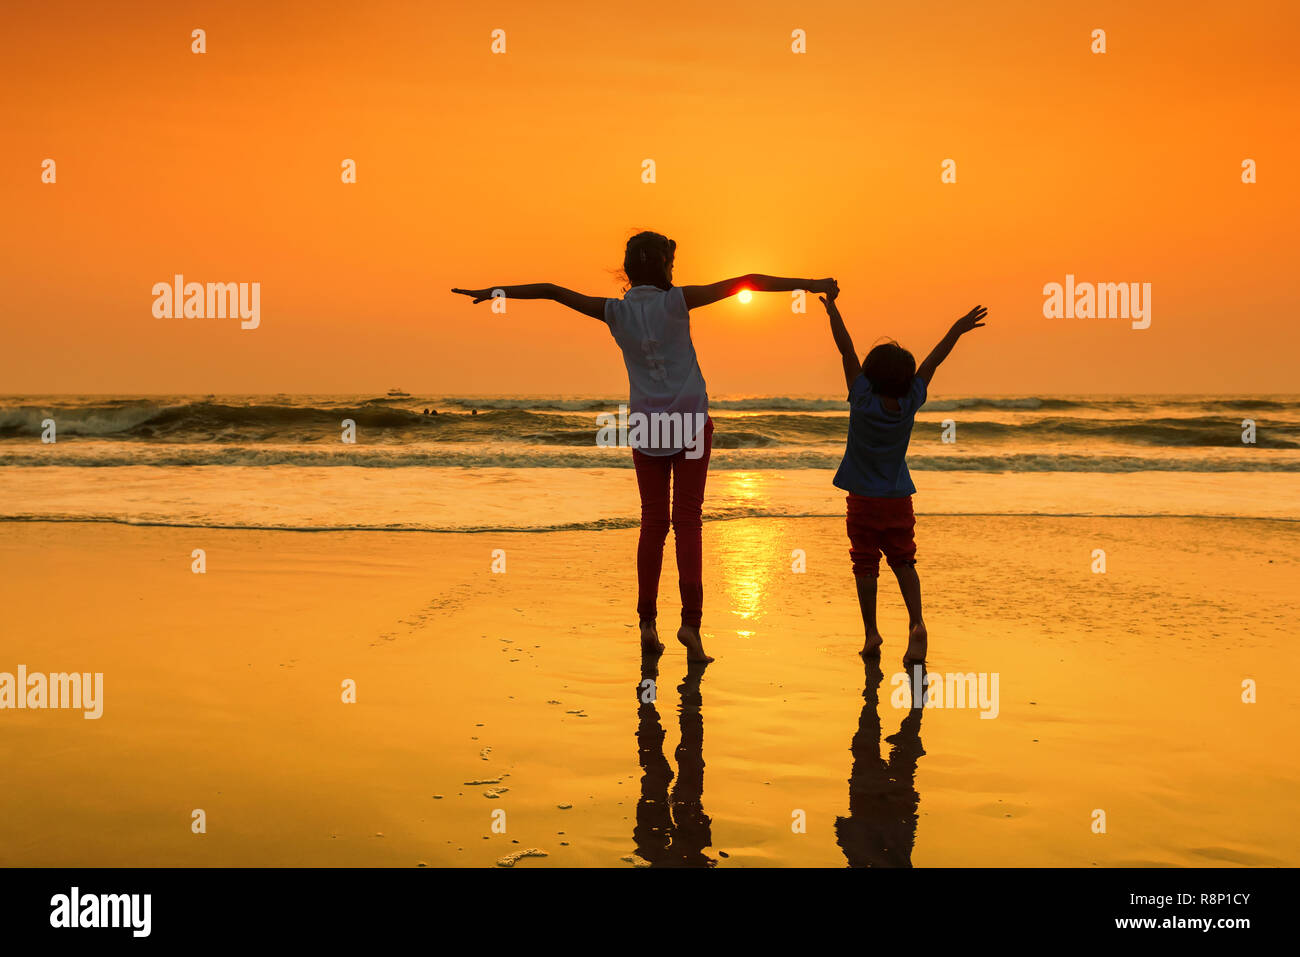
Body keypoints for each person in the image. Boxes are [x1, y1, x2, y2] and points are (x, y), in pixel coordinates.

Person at [453, 230, 835, 661]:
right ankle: (691, 626)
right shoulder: (678, 301)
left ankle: (647, 625)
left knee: (653, 524)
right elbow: (747, 281)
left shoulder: (615, 312)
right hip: (691, 423)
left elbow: (551, 291)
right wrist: (810, 284)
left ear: (630, 270)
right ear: (662, 267)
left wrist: (495, 292)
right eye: (671, 262)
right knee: (688, 522)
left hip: (647, 428)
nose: (674, 269)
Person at [820, 288, 987, 663]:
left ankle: (871, 633)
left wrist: (833, 311)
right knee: (904, 561)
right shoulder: (911, 401)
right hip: (898, 498)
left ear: (871, 374)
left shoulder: (862, 398)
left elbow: (846, 351)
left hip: (862, 499)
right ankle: (917, 623)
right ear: (906, 379)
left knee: (864, 564)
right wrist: (956, 330)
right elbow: (933, 362)